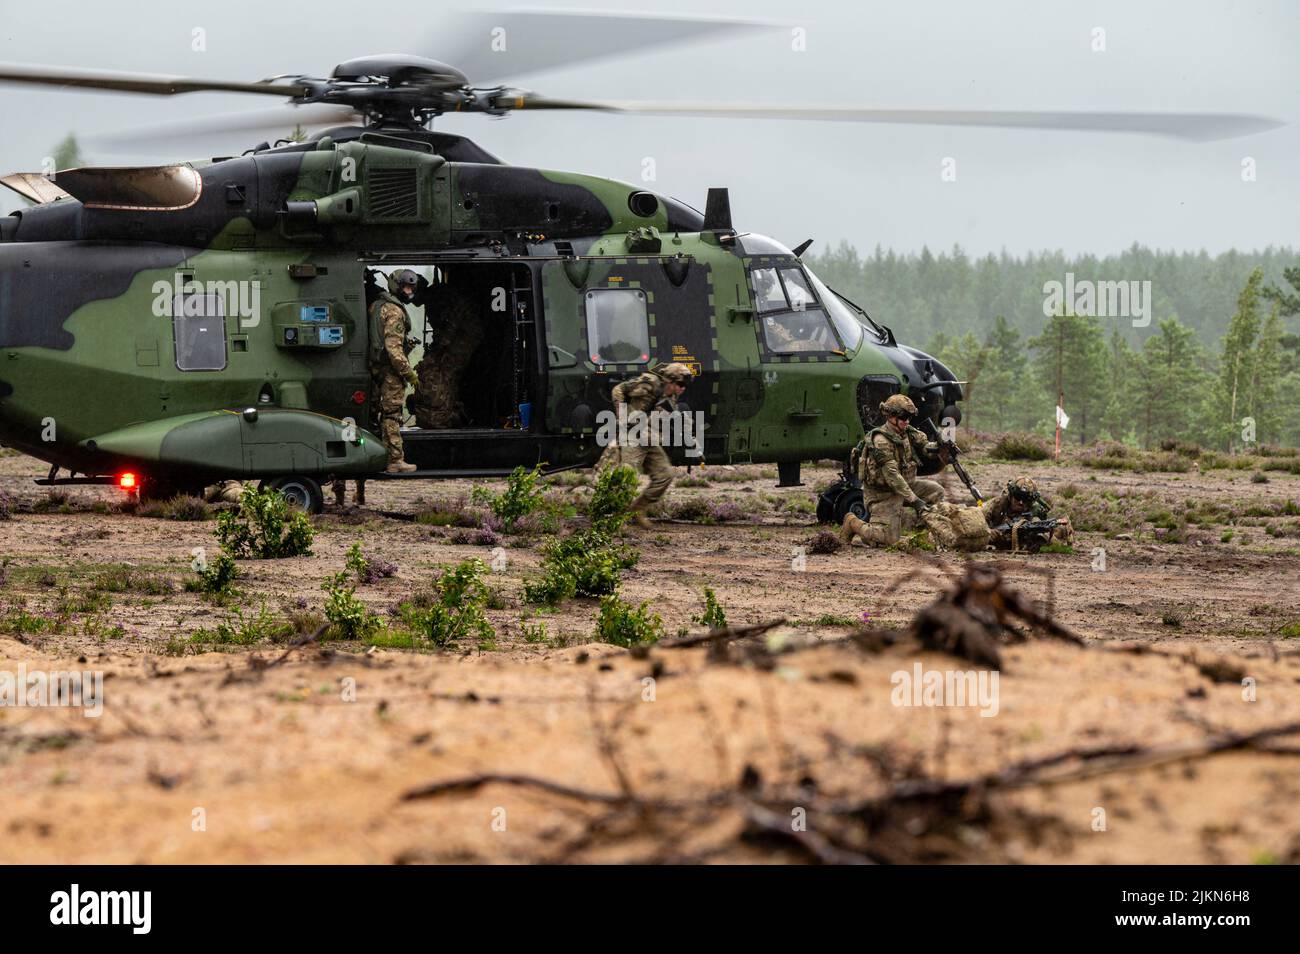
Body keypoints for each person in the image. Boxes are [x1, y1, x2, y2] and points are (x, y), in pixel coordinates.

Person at [840, 393, 947, 546]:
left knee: (936, 491)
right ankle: (852, 523)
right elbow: (893, 477)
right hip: (883, 494)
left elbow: (924, 446)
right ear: (891, 416)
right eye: (903, 417)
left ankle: (928, 530)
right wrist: (915, 501)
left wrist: (939, 448)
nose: (907, 421)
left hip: (906, 486)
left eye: (909, 417)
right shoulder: (880, 441)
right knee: (887, 540)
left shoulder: (907, 432)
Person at [597, 362, 693, 529]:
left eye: (685, 385)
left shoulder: (671, 395)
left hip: (648, 438)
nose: (683, 389)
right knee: (628, 477)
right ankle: (614, 518)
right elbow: (618, 390)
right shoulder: (649, 383)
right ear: (669, 381)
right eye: (680, 384)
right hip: (632, 436)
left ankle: (637, 511)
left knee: (665, 475)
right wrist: (622, 416)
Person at [369, 268, 421, 474]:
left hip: (374, 368)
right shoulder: (394, 311)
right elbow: (394, 349)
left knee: (374, 415)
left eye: (411, 287)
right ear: (396, 286)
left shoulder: (376, 305)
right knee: (392, 415)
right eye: (405, 287)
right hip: (390, 371)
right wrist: (409, 373)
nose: (408, 292)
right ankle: (395, 460)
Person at [983, 476, 1074, 550]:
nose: (1021, 502)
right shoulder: (997, 504)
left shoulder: (1036, 511)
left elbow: (1053, 539)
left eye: (1026, 499)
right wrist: (991, 533)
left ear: (1031, 501)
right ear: (1011, 495)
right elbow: (977, 520)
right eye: (1018, 497)